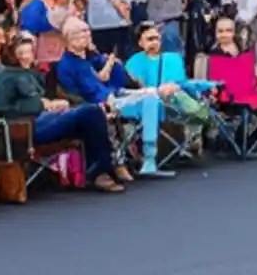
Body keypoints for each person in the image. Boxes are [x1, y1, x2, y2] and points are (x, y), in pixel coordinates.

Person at [0, 37, 125, 193]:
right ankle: (103, 171)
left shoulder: (31, 73)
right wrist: (42, 104)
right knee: (90, 112)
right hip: (27, 125)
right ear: (14, 55)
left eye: (30, 51)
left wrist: (55, 103)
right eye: (24, 52)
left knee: (92, 115)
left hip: (47, 117)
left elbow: (46, 97)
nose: (30, 55)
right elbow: (0, 104)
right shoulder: (4, 76)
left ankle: (103, 170)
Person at [57, 17, 172, 177]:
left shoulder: (91, 58)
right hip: (99, 104)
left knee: (152, 96)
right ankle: (140, 158)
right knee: (149, 99)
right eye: (81, 33)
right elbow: (79, 94)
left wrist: (110, 62)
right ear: (68, 38)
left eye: (87, 31)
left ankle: (149, 157)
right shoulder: (67, 64)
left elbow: (119, 75)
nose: (86, 35)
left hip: (116, 95)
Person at [124, 22, 216, 162]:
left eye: (157, 38)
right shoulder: (134, 62)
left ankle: (197, 122)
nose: (154, 42)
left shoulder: (173, 59)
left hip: (174, 99)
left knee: (179, 94)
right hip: (150, 102)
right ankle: (201, 114)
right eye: (150, 39)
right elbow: (134, 88)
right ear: (140, 43)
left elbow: (180, 82)